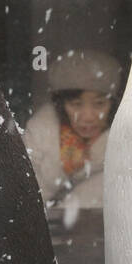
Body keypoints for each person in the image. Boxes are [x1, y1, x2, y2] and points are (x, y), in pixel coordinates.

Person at [23, 50, 120, 211]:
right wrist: (62, 166)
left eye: (99, 104)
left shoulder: (126, 141)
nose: (88, 116)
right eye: (76, 104)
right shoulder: (39, 133)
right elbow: (25, 200)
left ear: (113, 106)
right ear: (61, 106)